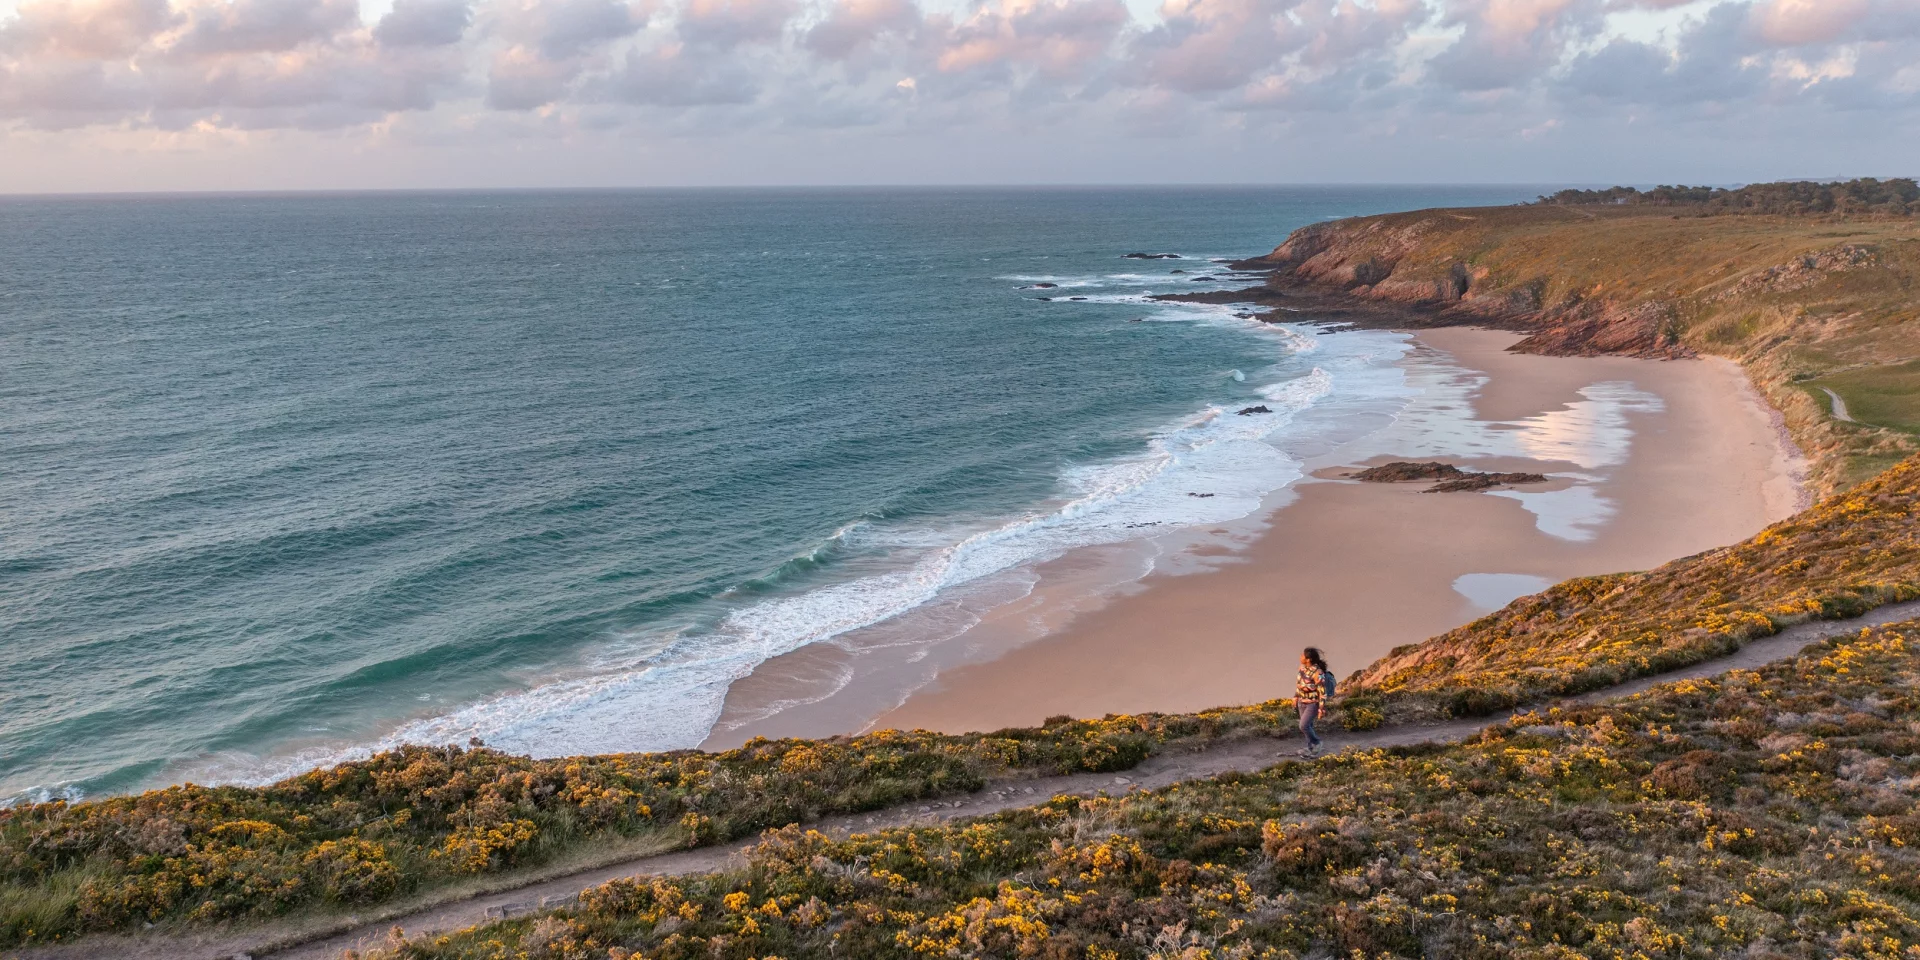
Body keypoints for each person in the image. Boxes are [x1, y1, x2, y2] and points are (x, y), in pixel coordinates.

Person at [1295, 647, 1334, 757]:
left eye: (1302, 655)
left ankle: (1317, 743)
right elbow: (1299, 684)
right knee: (1309, 725)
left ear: (1308, 659)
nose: (1300, 657)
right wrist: (1295, 697)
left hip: (1313, 703)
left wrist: (1321, 708)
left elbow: (1322, 692)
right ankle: (1310, 748)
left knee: (1303, 726)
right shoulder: (1302, 668)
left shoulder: (1318, 673)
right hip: (1302, 702)